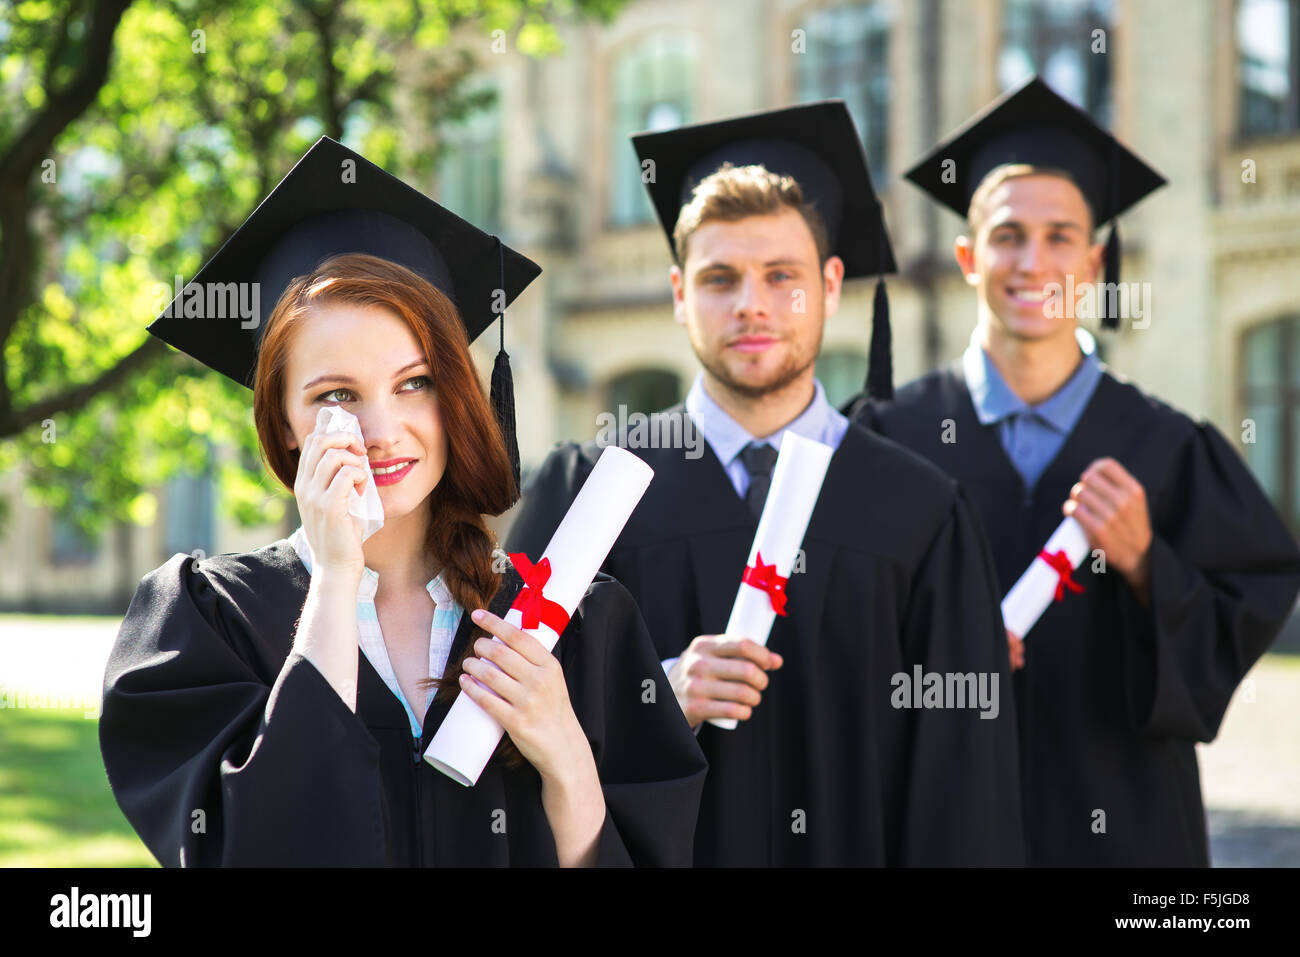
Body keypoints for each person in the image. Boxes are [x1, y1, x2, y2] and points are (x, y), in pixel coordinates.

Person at [99, 137, 707, 867]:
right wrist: (333, 578)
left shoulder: (573, 625)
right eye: (336, 394)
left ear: (454, 392)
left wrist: (567, 757)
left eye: (413, 381)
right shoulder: (209, 624)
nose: (385, 430)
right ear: (285, 422)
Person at [507, 103, 1024, 866]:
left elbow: (965, 789)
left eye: (781, 275)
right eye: (721, 278)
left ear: (831, 285)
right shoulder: (588, 492)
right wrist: (655, 695)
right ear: (680, 294)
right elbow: (495, 731)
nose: (751, 302)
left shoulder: (921, 512)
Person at [846, 77, 1300, 865]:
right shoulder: (890, 440)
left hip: (1123, 827)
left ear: (1093, 262)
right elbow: (833, 636)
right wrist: (936, 650)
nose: (1033, 260)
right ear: (967, 256)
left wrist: (1145, 565)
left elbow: (1236, 629)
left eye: (1061, 237)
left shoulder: (1165, 447)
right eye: (1008, 234)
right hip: (933, 822)